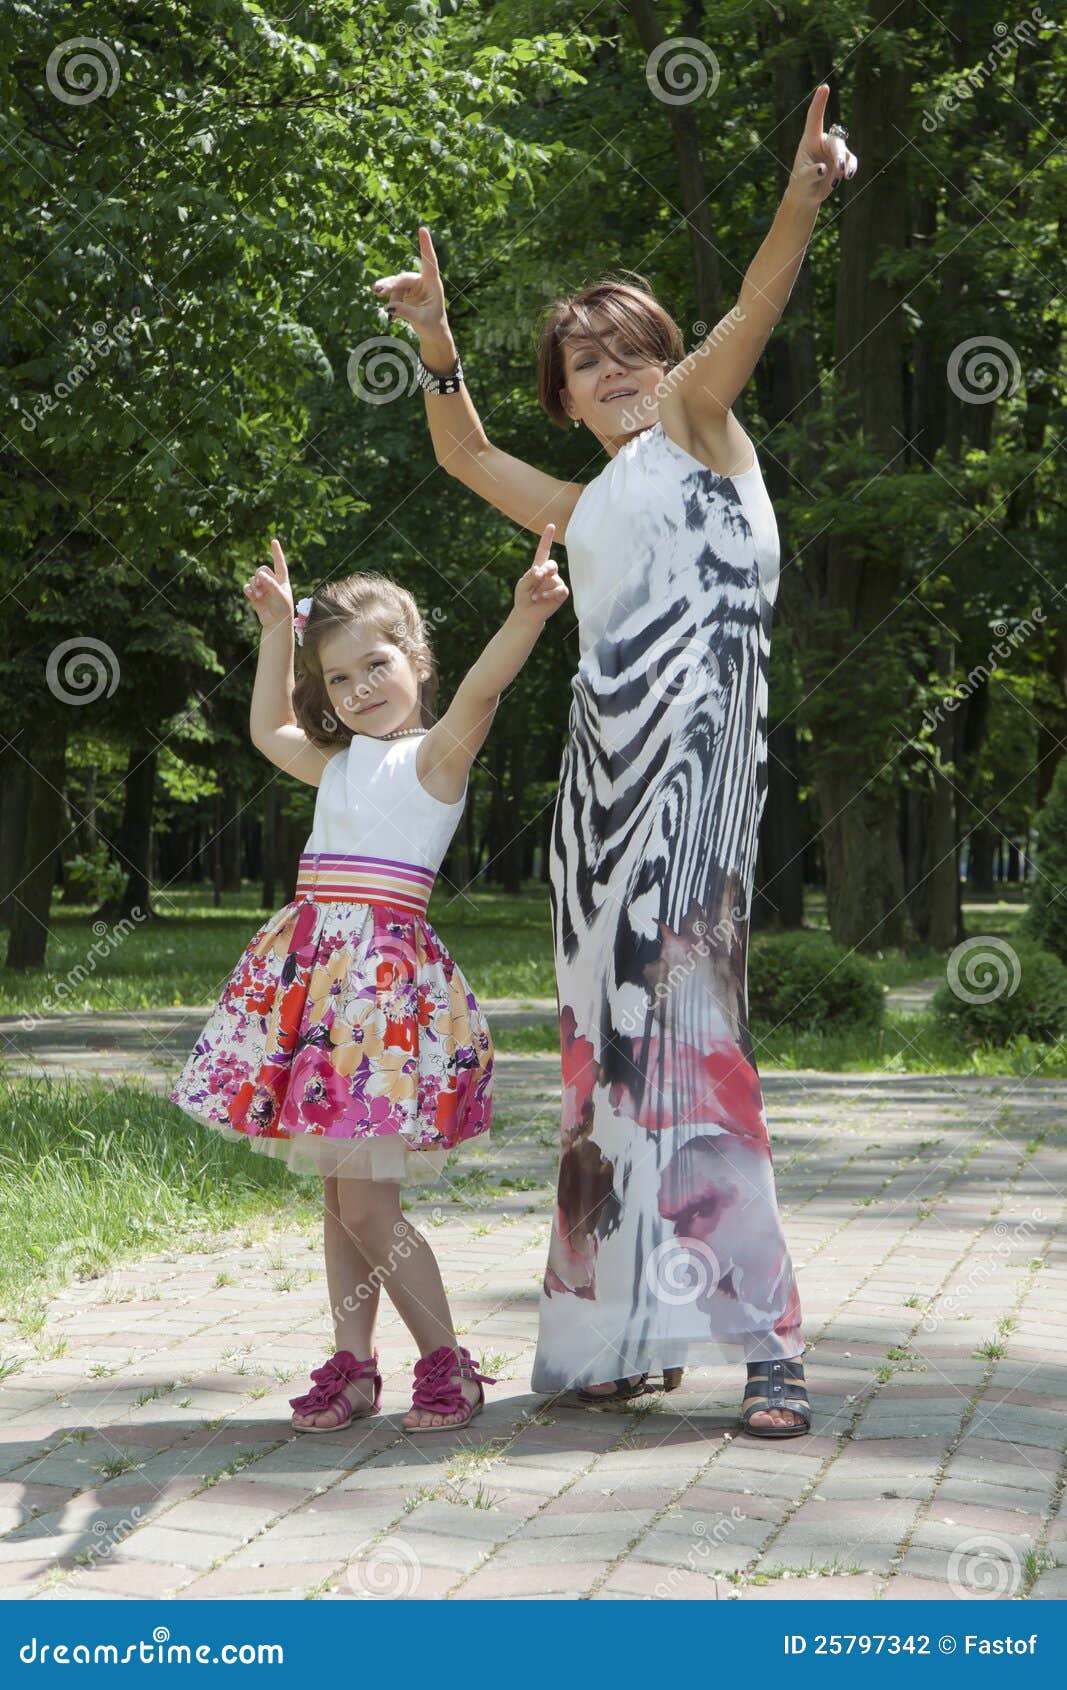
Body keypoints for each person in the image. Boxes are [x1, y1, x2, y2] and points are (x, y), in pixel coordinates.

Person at [370, 86, 858, 1436]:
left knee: (697, 1051)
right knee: (600, 1067)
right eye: (583, 362)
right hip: (594, 822)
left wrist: (799, 200)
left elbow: (750, 309)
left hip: (696, 802)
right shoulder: (584, 502)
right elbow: (462, 451)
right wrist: (434, 336)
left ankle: (767, 1347)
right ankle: (616, 1338)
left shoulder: (699, 428)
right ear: (567, 396)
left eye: (627, 345)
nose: (612, 369)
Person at [170, 527, 569, 1433]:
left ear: (416, 661)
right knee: (340, 1197)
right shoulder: (340, 762)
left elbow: (487, 686)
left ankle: (447, 1364)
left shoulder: (435, 759)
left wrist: (525, 613)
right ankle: (353, 1366)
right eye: (340, 680)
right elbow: (270, 727)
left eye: (376, 666)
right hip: (314, 995)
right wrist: (279, 627)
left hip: (378, 1006)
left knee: (363, 1200)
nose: (359, 691)